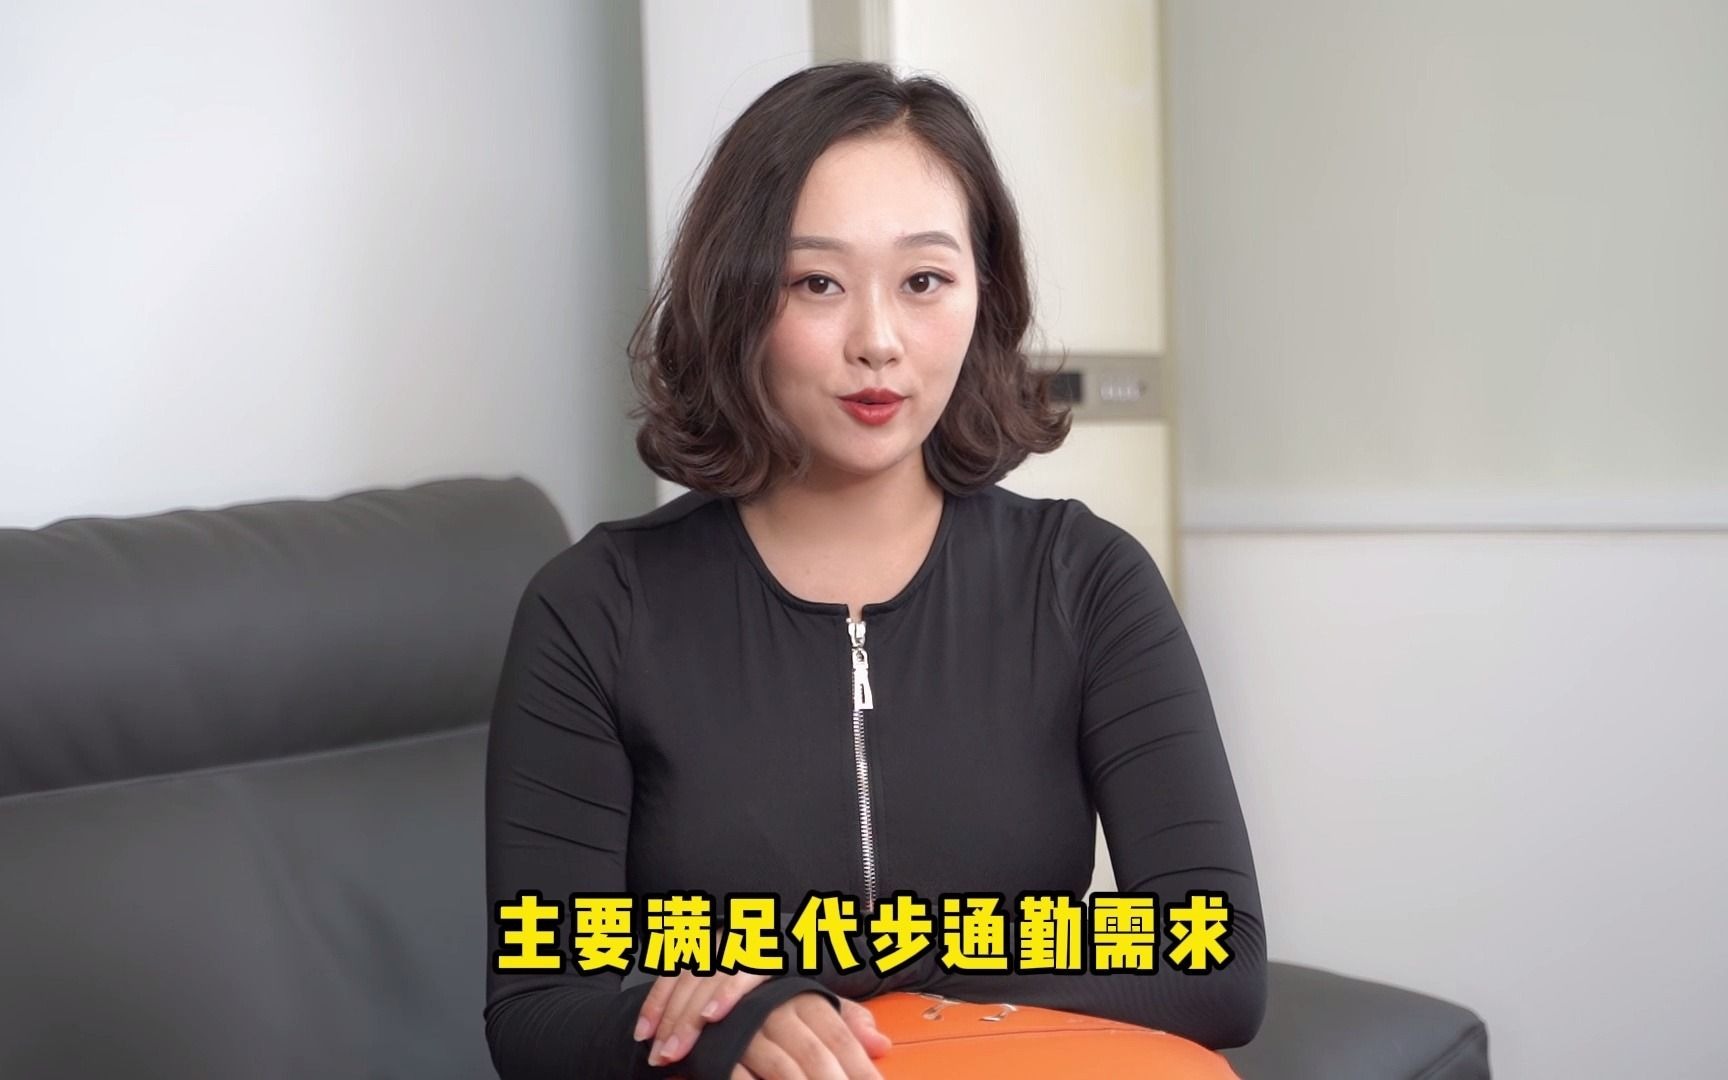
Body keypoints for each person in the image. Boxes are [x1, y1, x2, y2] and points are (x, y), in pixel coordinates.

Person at [484, 61, 1266, 1080]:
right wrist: (732, 1027)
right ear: (737, 299)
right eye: (817, 284)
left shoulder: (1085, 580)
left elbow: (1216, 958)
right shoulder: (596, 609)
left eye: (924, 281)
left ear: (985, 295)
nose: (879, 342)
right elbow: (539, 1008)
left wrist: (832, 977)